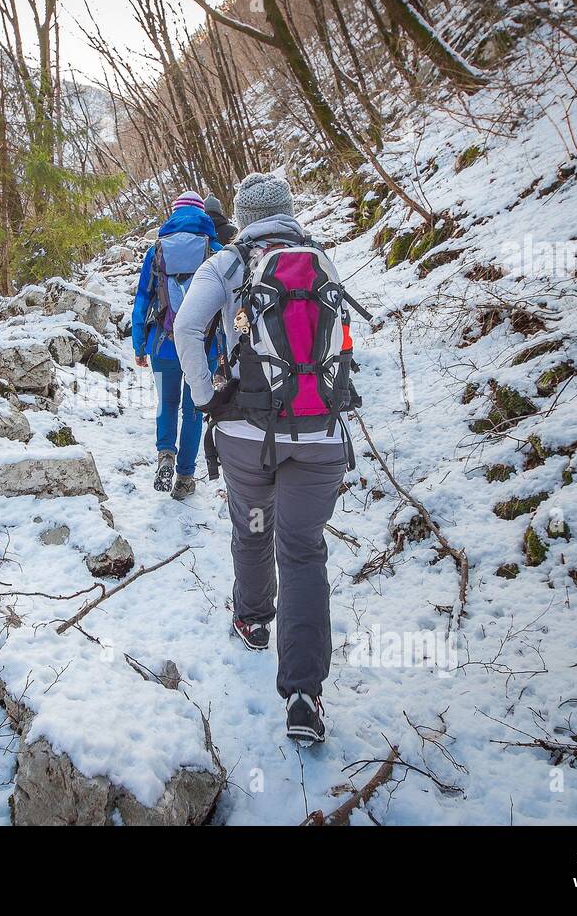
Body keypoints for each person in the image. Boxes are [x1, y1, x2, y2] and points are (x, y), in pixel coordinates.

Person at [173, 172, 364, 745]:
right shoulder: (319, 260)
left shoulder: (228, 265)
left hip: (246, 434)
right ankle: (304, 694)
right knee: (303, 552)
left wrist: (207, 396)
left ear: (244, 214)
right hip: (319, 434)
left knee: (253, 526)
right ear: (286, 211)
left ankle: (253, 617)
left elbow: (185, 327)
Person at [132, 190, 222, 500]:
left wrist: (139, 344)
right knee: (194, 410)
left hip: (163, 344)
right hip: (204, 346)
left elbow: (143, 298)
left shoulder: (156, 250)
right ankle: (185, 476)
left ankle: (165, 455)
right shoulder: (215, 249)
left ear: (173, 214)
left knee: (166, 404)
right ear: (202, 215)